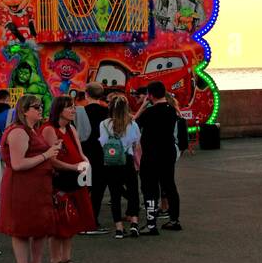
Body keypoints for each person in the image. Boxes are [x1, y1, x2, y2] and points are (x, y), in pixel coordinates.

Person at [0, 94, 61, 263]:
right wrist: (46, 154)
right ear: (24, 110)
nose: (40, 109)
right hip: (21, 188)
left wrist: (50, 153)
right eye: (35, 107)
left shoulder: (33, 130)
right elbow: (18, 164)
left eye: (41, 106)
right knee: (22, 230)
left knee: (40, 228)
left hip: (38, 188)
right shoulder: (18, 132)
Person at [41, 95, 93, 263]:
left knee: (72, 220)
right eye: (69, 108)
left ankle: (66, 258)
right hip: (59, 179)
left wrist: (85, 162)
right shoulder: (49, 129)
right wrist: (73, 167)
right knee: (59, 223)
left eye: (73, 107)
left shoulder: (71, 128)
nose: (73, 110)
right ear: (59, 110)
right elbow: (51, 159)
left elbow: (80, 152)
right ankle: (55, 261)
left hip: (76, 177)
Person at [136, 80, 182, 234]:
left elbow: (134, 122)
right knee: (169, 186)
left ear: (150, 95)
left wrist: (143, 106)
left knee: (150, 188)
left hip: (151, 154)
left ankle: (151, 224)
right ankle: (174, 219)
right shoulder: (172, 110)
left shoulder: (149, 112)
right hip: (168, 152)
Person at [98, 93, 141, 238]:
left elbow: (103, 142)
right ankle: (134, 223)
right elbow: (135, 143)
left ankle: (119, 228)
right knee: (133, 191)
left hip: (111, 161)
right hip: (127, 160)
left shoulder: (104, 124)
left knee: (115, 194)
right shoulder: (132, 123)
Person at [74, 82, 111, 234]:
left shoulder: (79, 112)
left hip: (83, 154)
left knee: (82, 186)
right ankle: (92, 220)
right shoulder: (107, 112)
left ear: (86, 94)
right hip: (102, 155)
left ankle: (77, 219)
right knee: (98, 189)